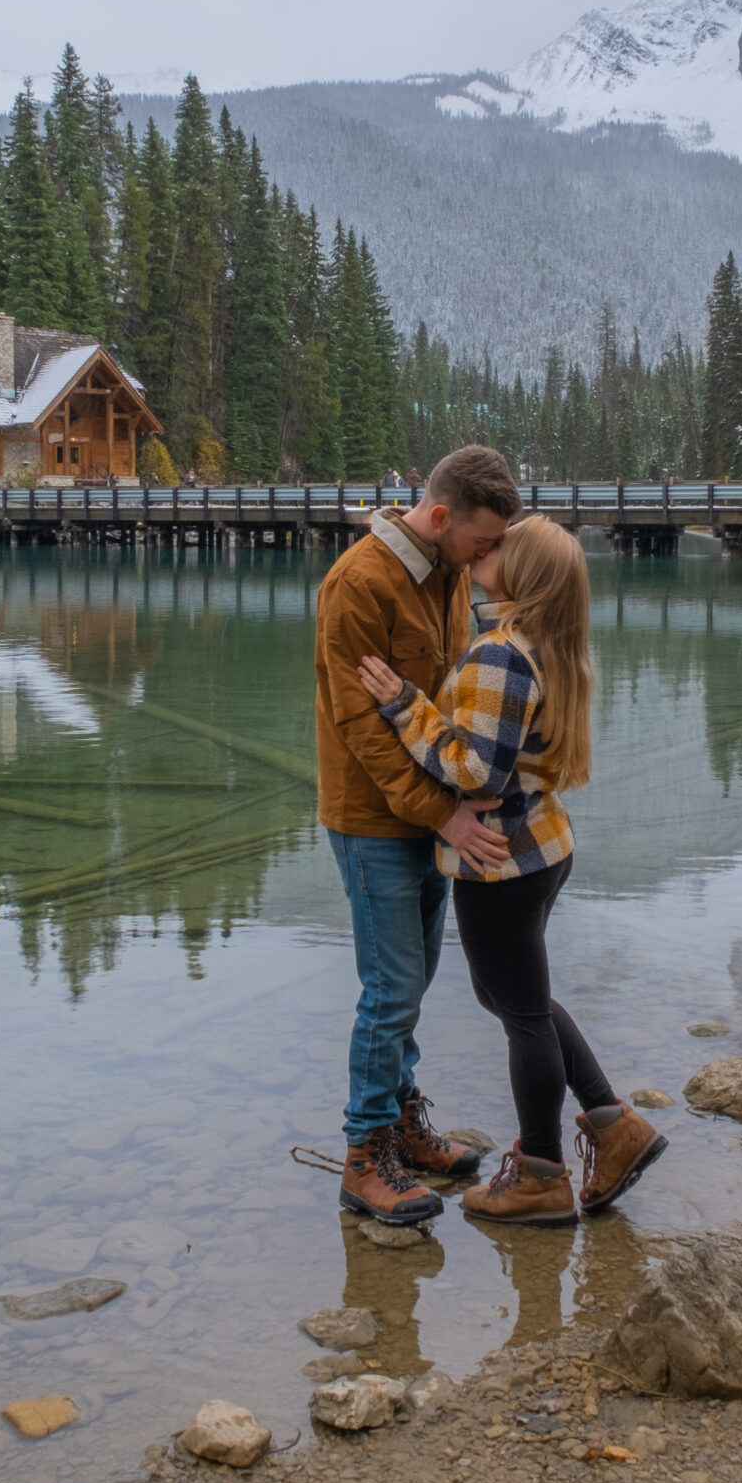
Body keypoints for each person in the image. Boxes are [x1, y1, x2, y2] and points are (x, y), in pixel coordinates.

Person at [358, 516, 666, 1226]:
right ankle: (614, 1125)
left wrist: (405, 707)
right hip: (541, 846)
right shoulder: (550, 647)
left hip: (499, 859)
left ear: (526, 573)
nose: (484, 550)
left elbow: (474, 768)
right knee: (516, 999)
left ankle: (541, 1176)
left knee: (521, 1014)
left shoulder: (501, 654)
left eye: (502, 548)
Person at [314, 444, 524, 1223]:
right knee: (391, 986)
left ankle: (402, 1119)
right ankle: (364, 1155)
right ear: (440, 518)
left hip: (434, 813)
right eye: (483, 543)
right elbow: (361, 730)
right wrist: (444, 815)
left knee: (416, 977)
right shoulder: (358, 584)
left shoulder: (446, 573)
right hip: (374, 820)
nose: (490, 557)